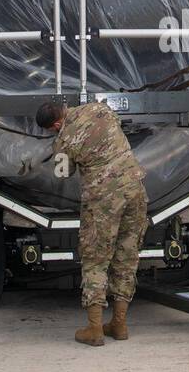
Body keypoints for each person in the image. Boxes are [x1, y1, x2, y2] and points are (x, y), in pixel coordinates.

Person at [36, 100, 149, 346]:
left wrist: (62, 147)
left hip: (104, 200)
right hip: (135, 189)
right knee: (126, 256)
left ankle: (95, 328)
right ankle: (119, 324)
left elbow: (62, 174)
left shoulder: (63, 141)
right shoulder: (99, 108)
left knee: (95, 259)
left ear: (55, 124)